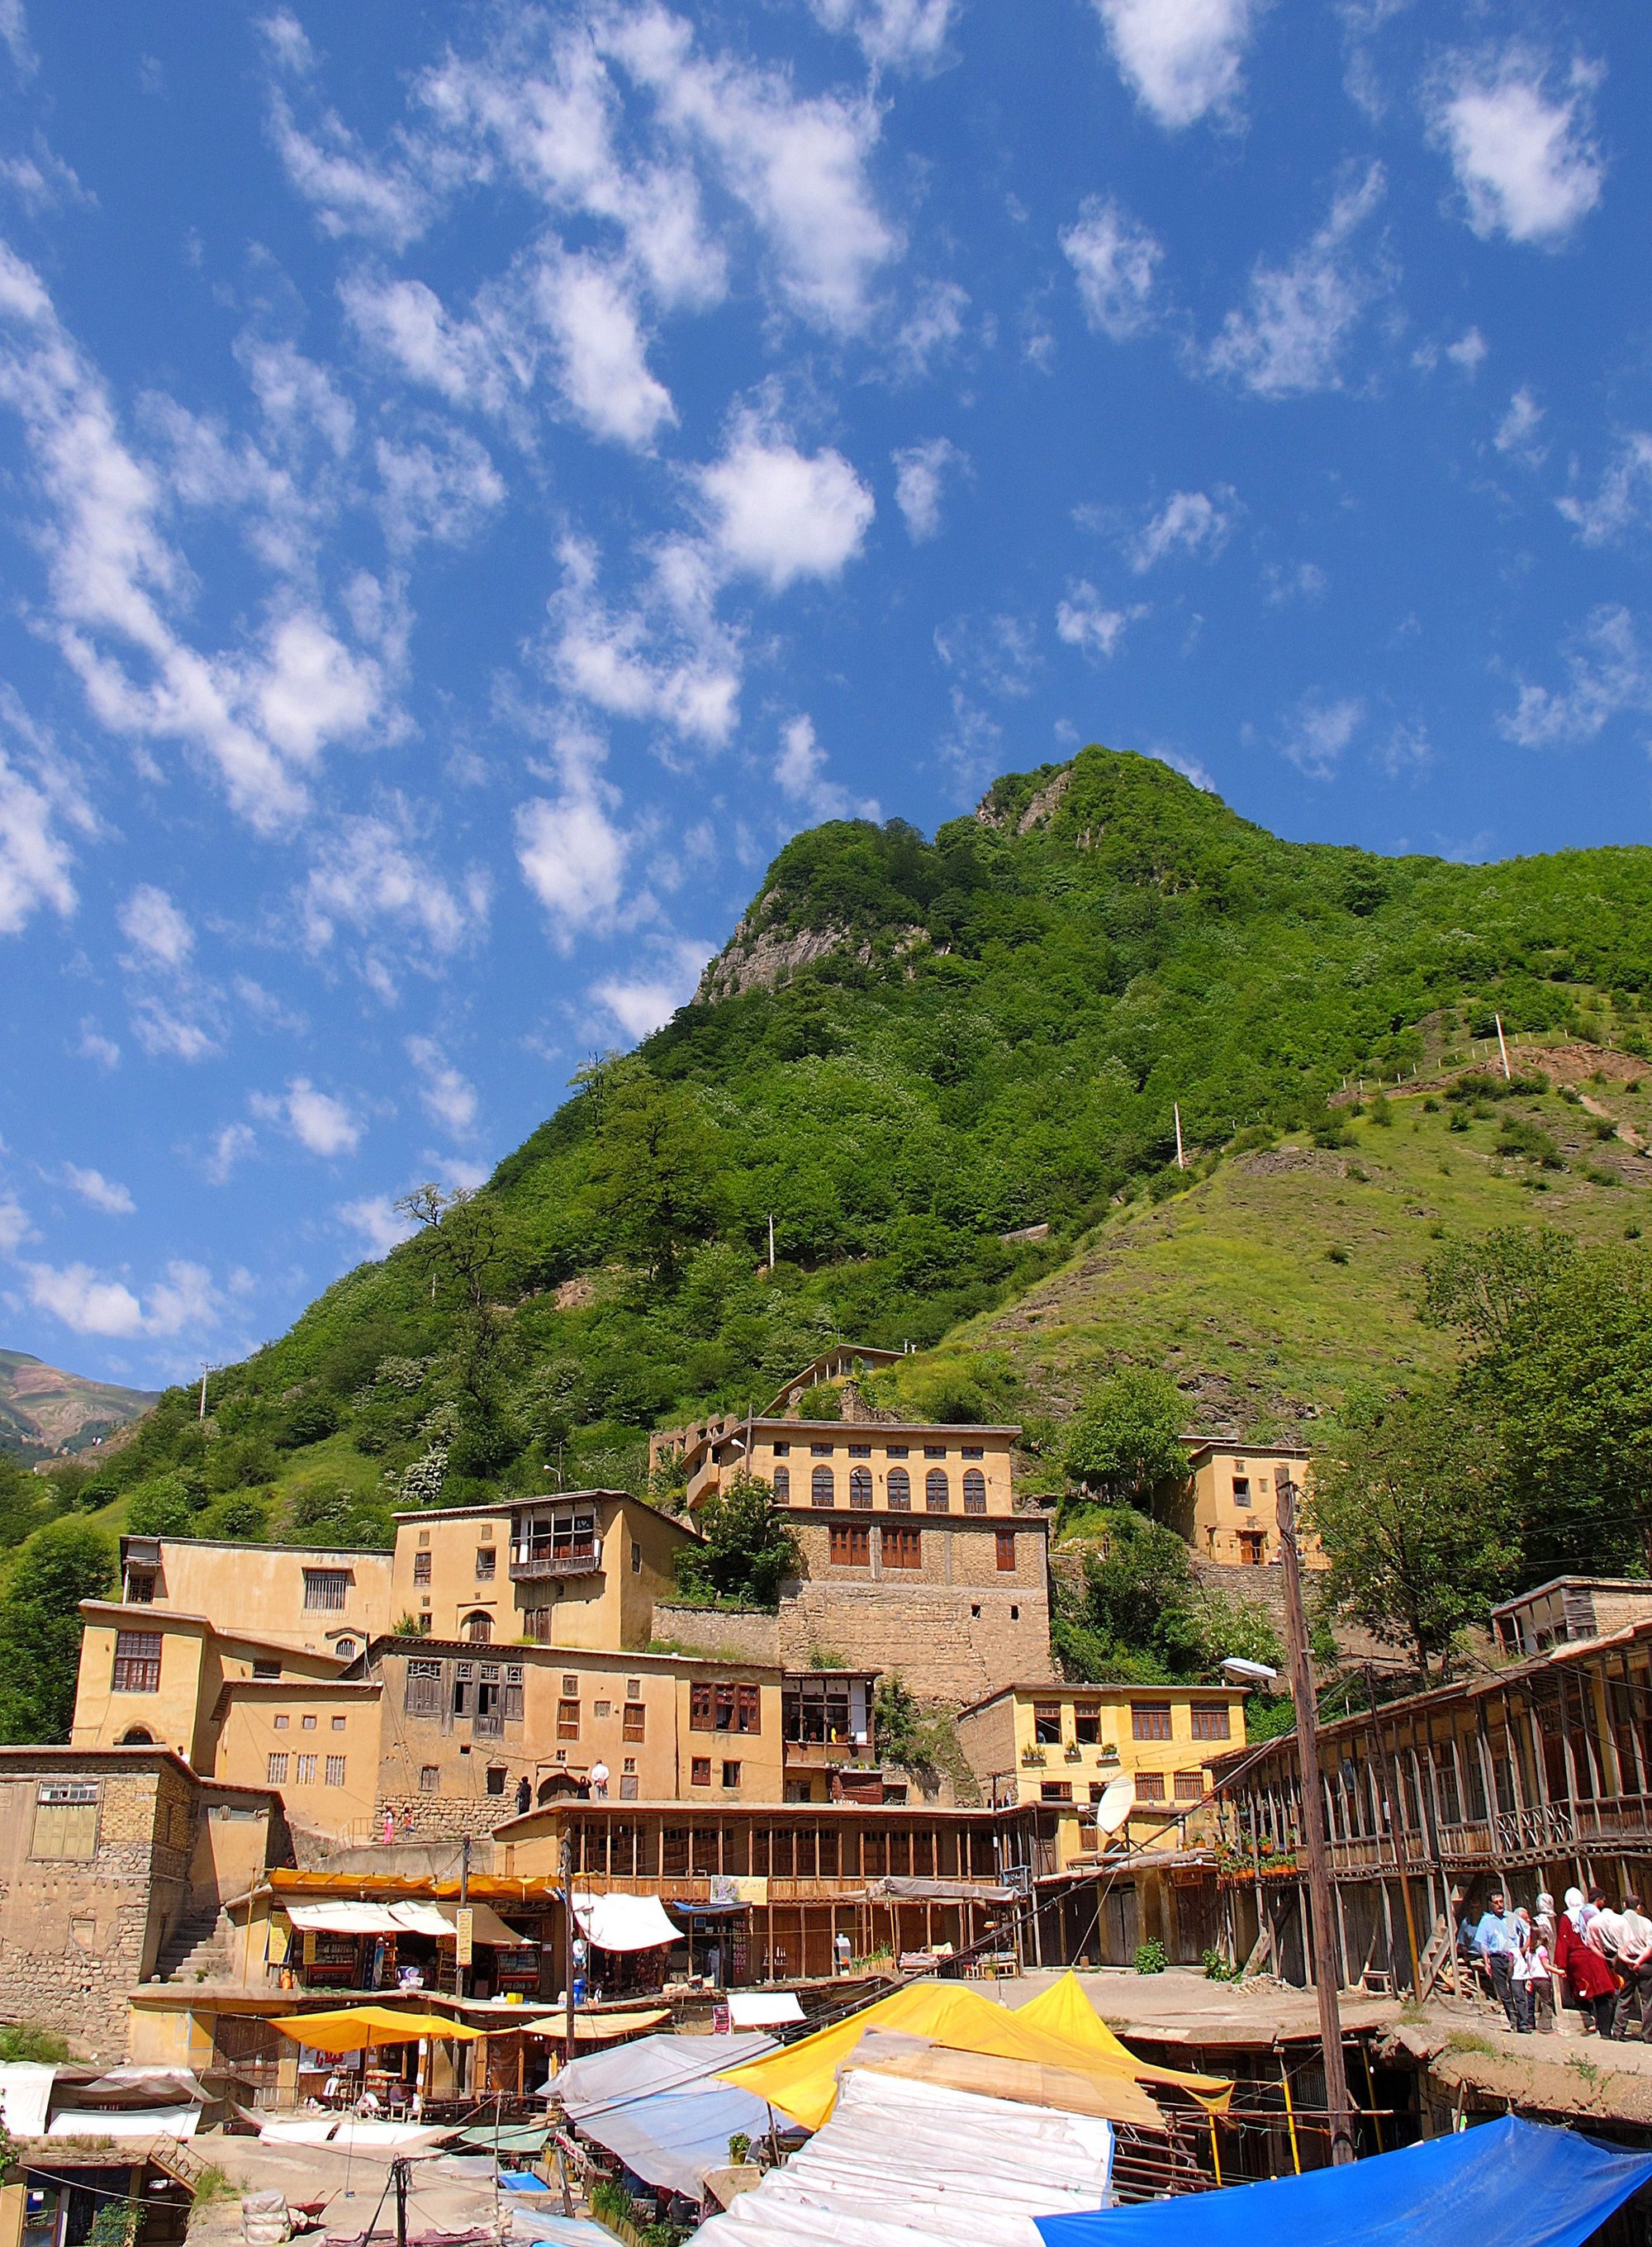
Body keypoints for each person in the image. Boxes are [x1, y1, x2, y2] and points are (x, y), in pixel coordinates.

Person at [1556, 1888, 1620, 2036]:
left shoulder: (1566, 1917)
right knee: (1602, 1992)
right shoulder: (1592, 1913)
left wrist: (1562, 1965)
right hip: (1596, 1955)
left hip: (1577, 1960)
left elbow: (1563, 1942)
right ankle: (1604, 2028)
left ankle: (1595, 2020)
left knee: (1583, 1992)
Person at [1471, 1890, 1524, 2030]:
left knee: (1517, 1990)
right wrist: (1486, 1961)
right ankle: (1514, 2021)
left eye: (1501, 1901)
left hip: (1512, 1957)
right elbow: (1483, 1943)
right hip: (1496, 1958)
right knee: (1503, 1992)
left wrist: (1523, 1950)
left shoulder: (1512, 1917)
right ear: (1491, 1905)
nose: (1500, 1905)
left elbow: (1528, 1931)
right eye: (1496, 1903)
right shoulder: (1486, 1921)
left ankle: (1524, 2023)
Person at [1612, 1892, 1652, 2041]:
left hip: (1625, 1963)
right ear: (1639, 1907)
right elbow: (1650, 1947)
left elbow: (1618, 1947)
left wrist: (1628, 1961)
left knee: (1624, 1998)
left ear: (1624, 1906)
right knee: (1647, 2001)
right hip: (1645, 1963)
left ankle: (1618, 2031)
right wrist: (1639, 1961)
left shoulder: (1618, 1923)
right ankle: (1648, 2035)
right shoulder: (1647, 1923)